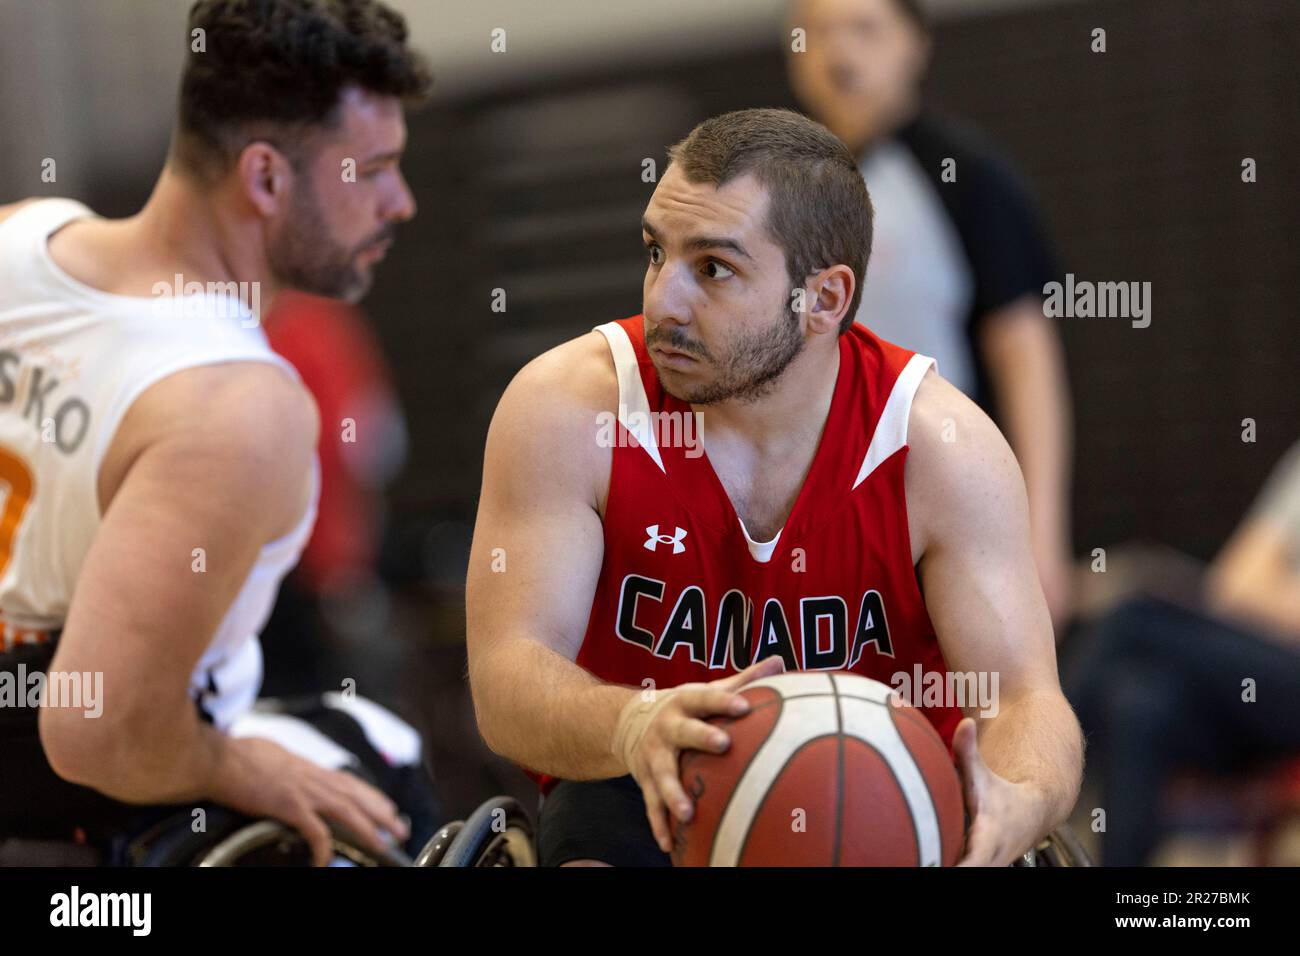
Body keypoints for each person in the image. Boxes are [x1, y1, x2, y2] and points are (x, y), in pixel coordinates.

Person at [466, 108, 1082, 867]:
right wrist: (636, 723)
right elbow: (505, 677)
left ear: (822, 300)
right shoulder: (569, 408)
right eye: (656, 252)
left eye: (714, 268)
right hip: (647, 785)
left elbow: (1025, 698)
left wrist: (1017, 795)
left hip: (874, 789)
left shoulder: (940, 446)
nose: (665, 299)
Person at [0, 0, 433, 865]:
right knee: (393, 777)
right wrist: (230, 764)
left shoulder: (19, 233)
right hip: (85, 797)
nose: (404, 203)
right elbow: (93, 731)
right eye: (375, 170)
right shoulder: (238, 406)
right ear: (267, 178)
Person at [785, 0, 1075, 634]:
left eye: (864, 29)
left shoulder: (968, 177)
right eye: (818, 34)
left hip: (945, 495)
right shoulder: (778, 190)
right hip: (814, 509)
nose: (838, 54)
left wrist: (1041, 535)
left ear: (914, 43)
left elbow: (1024, 356)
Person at [1066, 439, 1300, 865]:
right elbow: (1236, 584)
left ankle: (1028, 784)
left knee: (1135, 616)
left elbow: (1246, 592)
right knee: (1139, 701)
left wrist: (1274, 592)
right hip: (1262, 678)